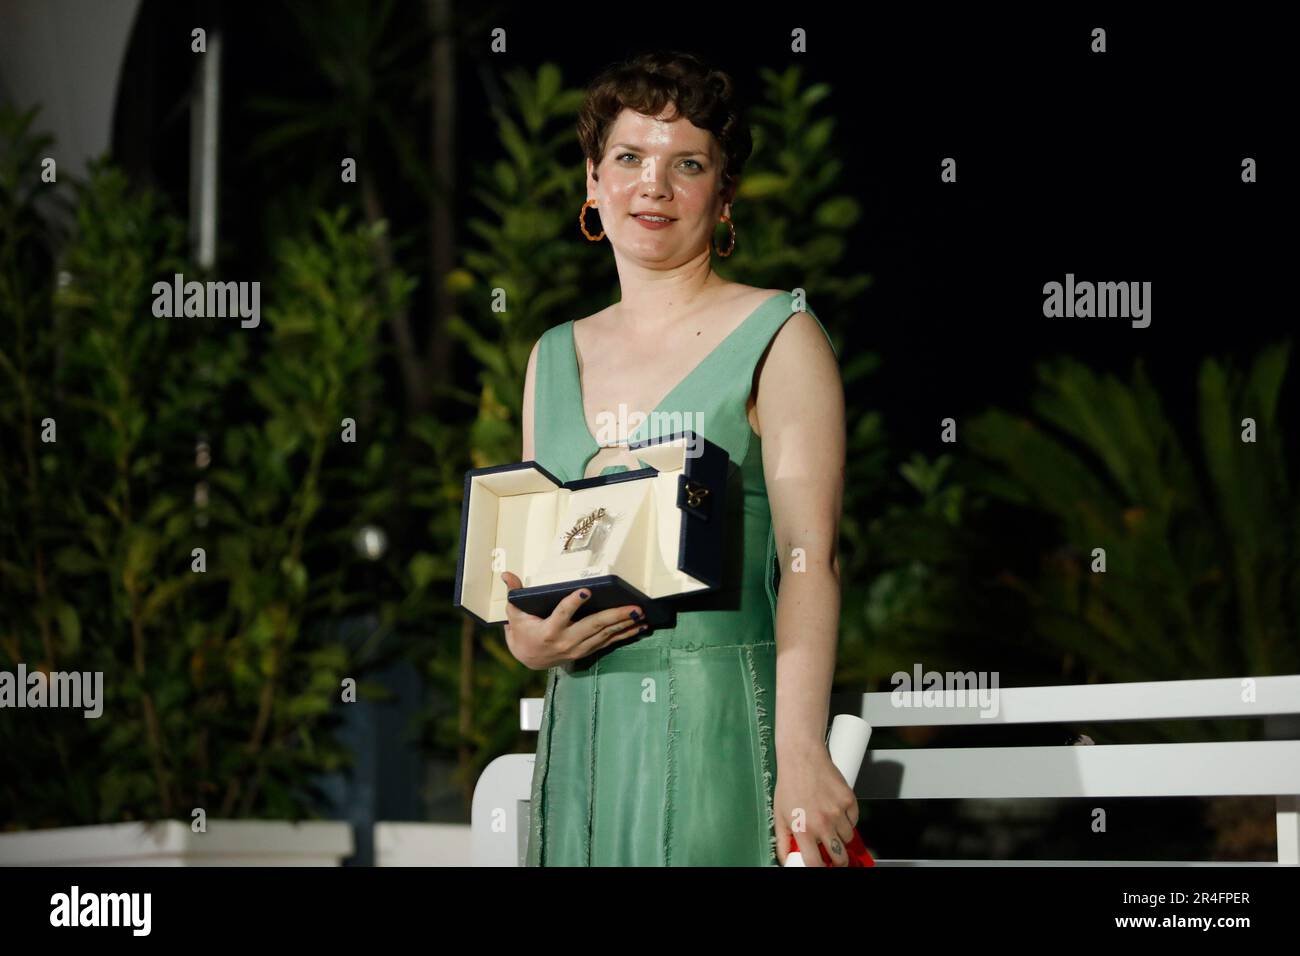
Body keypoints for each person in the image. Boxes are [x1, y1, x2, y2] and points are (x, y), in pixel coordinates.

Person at [501, 50, 851, 866]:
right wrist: (526, 640)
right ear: (592, 182)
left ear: (722, 196)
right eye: (628, 159)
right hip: (581, 731)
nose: (652, 186)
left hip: (718, 731)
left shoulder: (782, 334)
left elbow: (811, 558)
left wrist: (799, 749)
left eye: (686, 164)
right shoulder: (551, 355)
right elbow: (532, 568)